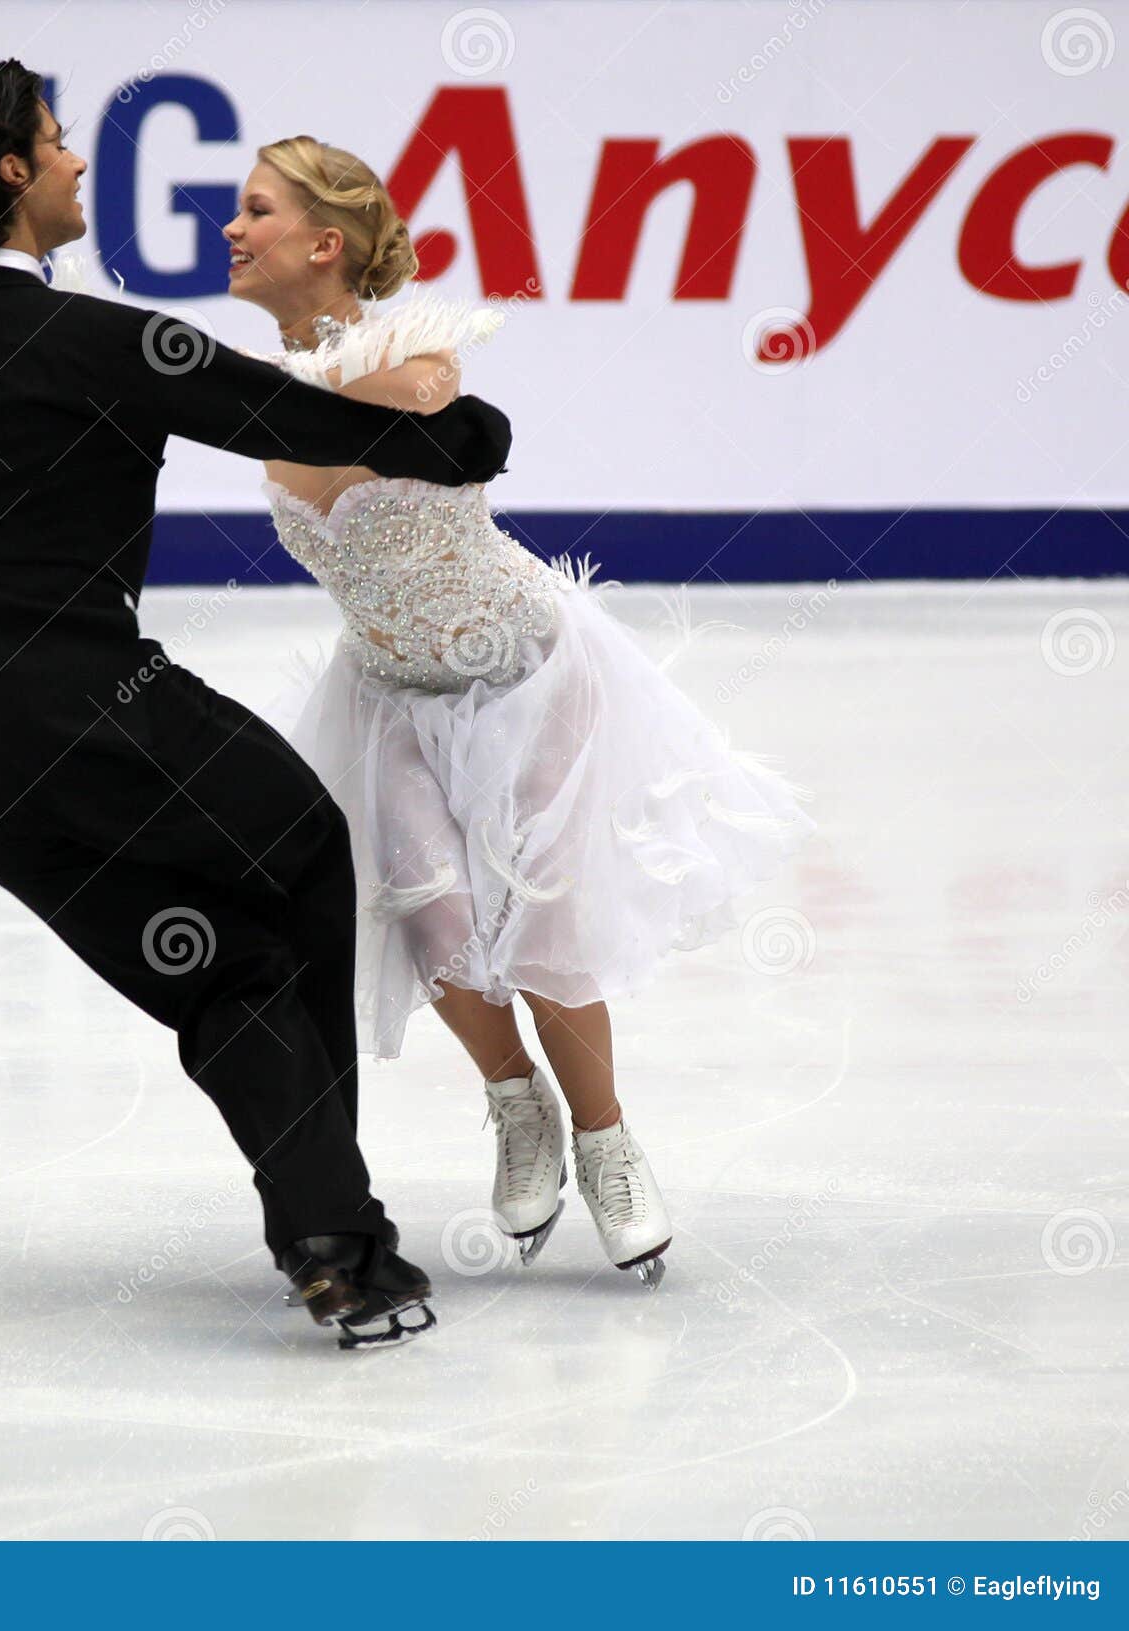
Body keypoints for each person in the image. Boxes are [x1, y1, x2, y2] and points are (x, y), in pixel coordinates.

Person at [0, 62, 516, 1349]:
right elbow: (283, 409)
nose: (81, 161)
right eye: (57, 143)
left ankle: (331, 1242)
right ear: (17, 175)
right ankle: (330, 1222)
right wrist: (477, 440)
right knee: (306, 850)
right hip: (100, 707)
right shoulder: (101, 340)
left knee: (225, 963)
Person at [221, 136, 818, 1287]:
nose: (232, 231)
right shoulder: (260, 386)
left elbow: (432, 405)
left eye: (255, 211)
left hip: (528, 671)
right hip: (392, 691)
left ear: (324, 243)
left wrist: (285, 393)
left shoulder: (412, 336)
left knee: (543, 927)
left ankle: (607, 1141)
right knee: (431, 920)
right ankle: (518, 1106)